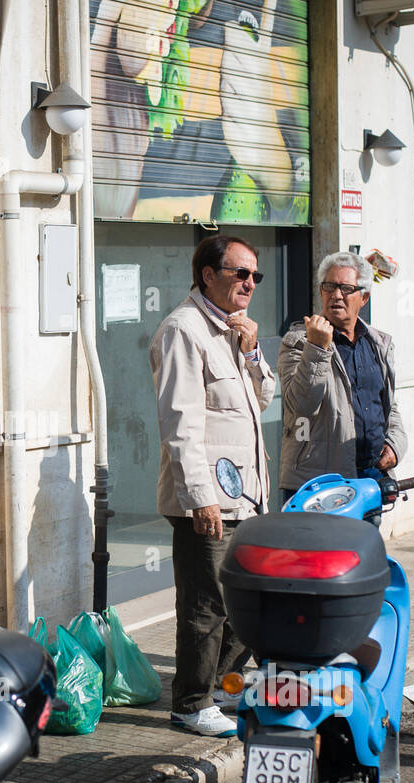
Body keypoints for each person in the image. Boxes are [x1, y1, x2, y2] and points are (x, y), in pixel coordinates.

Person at [149, 234, 275, 736]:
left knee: (250, 603)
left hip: (248, 497)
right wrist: (200, 498)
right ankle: (190, 701)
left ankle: (222, 691)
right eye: (239, 273)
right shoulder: (184, 329)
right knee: (207, 607)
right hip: (207, 501)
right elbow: (179, 423)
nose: (249, 283)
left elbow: (262, 398)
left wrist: (252, 349)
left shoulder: (233, 331)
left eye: (254, 276)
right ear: (207, 275)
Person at [277, 251, 407, 503]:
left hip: (370, 478)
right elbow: (300, 405)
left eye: (346, 288)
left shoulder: (378, 343)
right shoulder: (298, 341)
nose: (337, 295)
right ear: (321, 291)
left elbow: (389, 407)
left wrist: (395, 446)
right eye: (330, 286)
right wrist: (317, 348)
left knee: (364, 543)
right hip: (317, 484)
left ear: (364, 297)